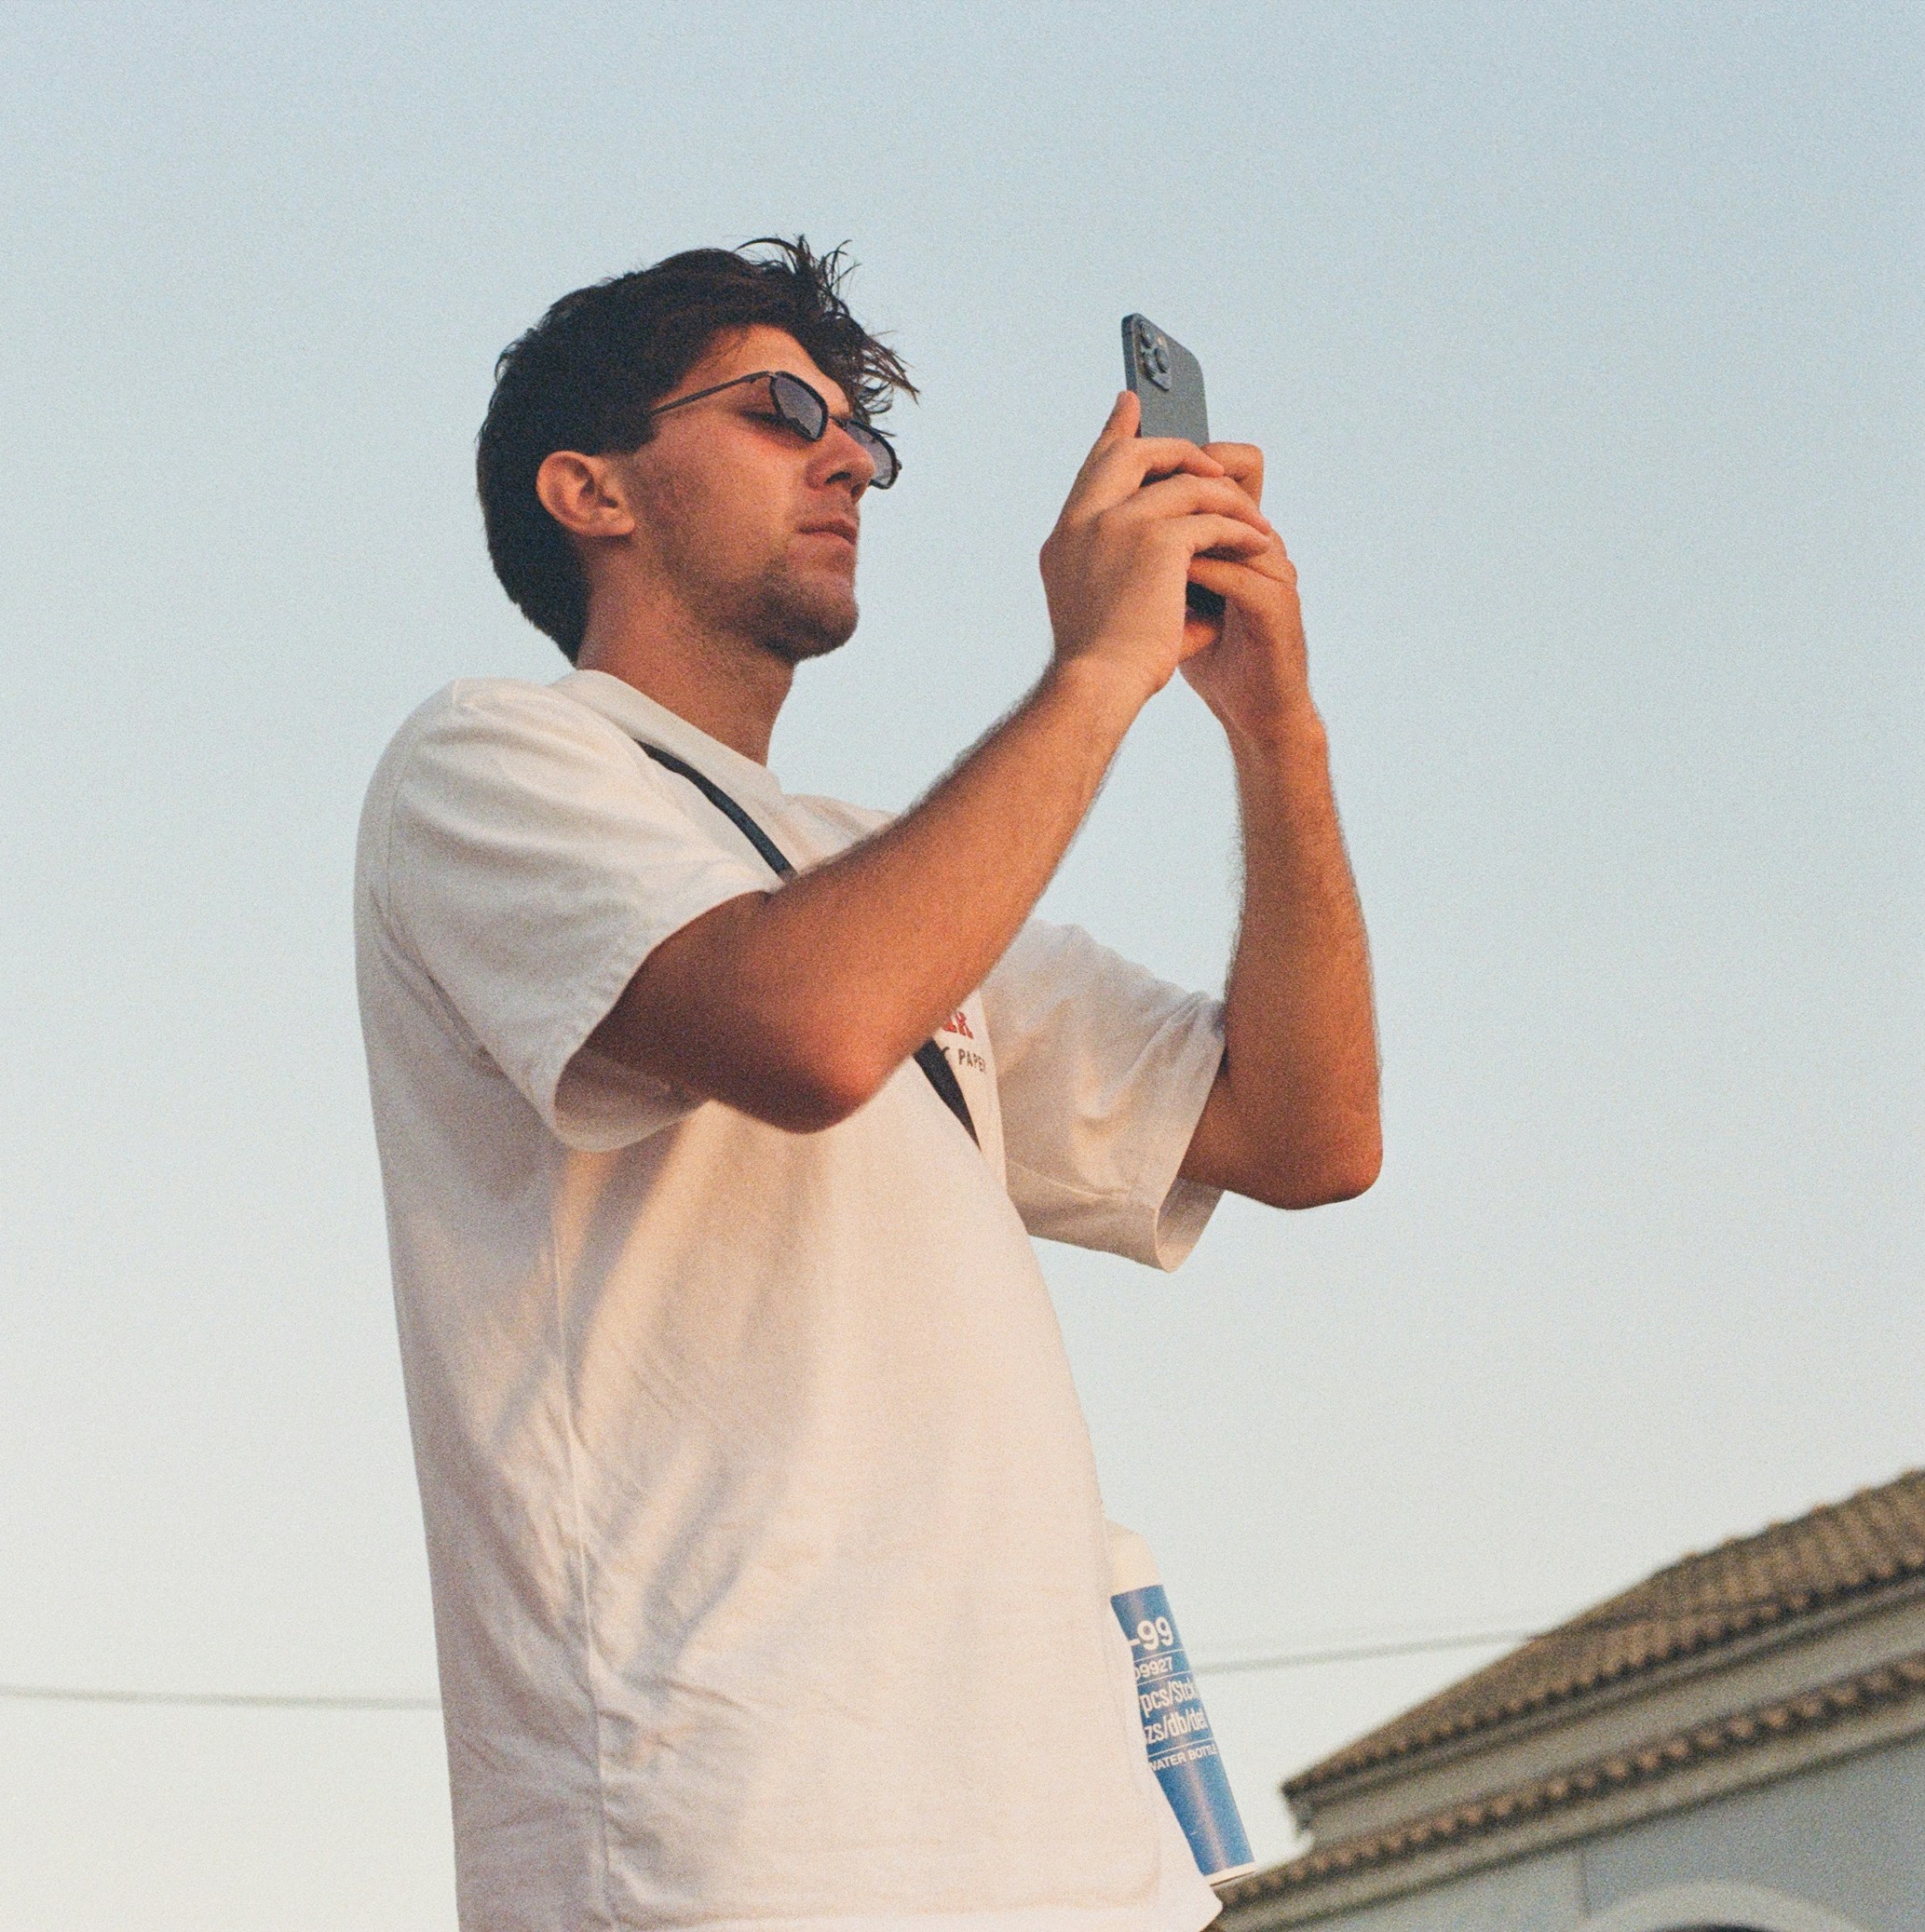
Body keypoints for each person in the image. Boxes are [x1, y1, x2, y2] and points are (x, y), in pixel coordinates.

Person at [352, 241, 1380, 1931]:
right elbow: (810, 1032)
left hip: (1087, 1868)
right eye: (779, 412)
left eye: (861, 437)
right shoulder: (490, 757)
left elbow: (1306, 1135)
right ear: (587, 487)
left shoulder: (867, 869)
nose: (848, 461)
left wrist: (1275, 734)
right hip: (743, 1857)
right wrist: (1097, 674)